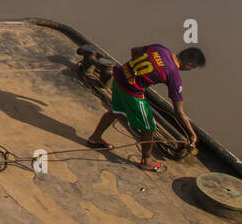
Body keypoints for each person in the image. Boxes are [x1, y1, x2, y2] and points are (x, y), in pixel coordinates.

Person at [86, 44, 204, 172]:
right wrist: (192, 135)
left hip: (119, 76)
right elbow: (179, 111)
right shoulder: (174, 76)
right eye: (193, 67)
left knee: (116, 111)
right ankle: (146, 161)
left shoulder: (160, 48)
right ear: (189, 64)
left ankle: (95, 138)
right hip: (131, 92)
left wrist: (136, 73)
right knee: (148, 126)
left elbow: (134, 50)